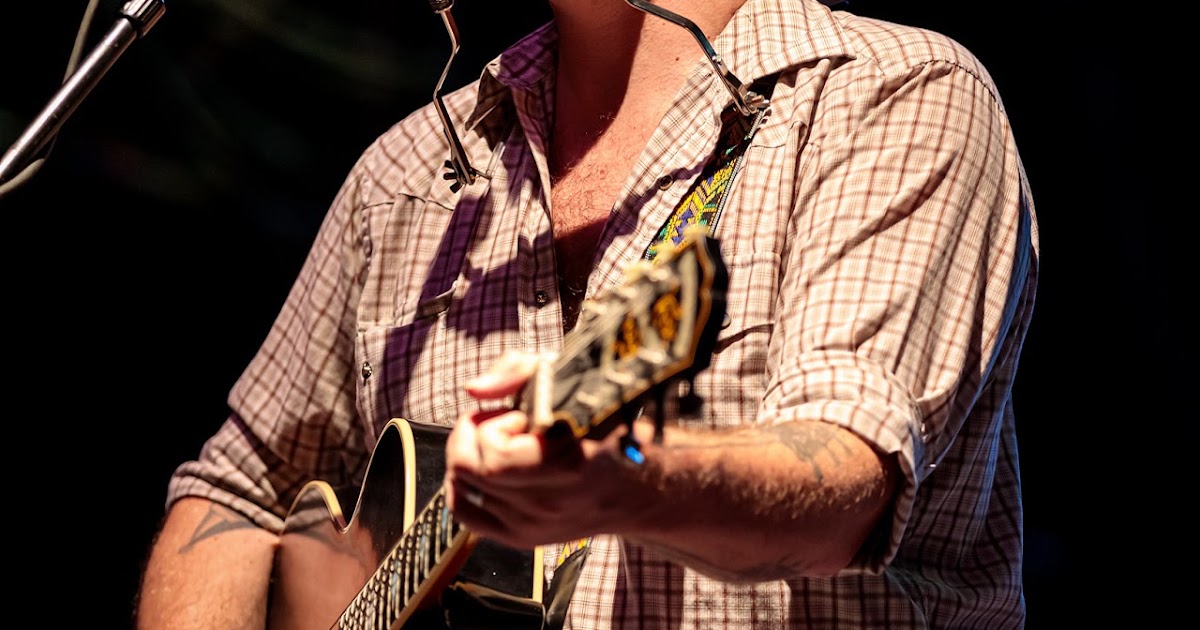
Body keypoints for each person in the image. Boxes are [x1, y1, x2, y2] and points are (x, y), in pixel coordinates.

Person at [135, 0, 1039, 628]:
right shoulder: (402, 181)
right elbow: (232, 491)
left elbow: (842, 486)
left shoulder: (892, 97)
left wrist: (624, 479)